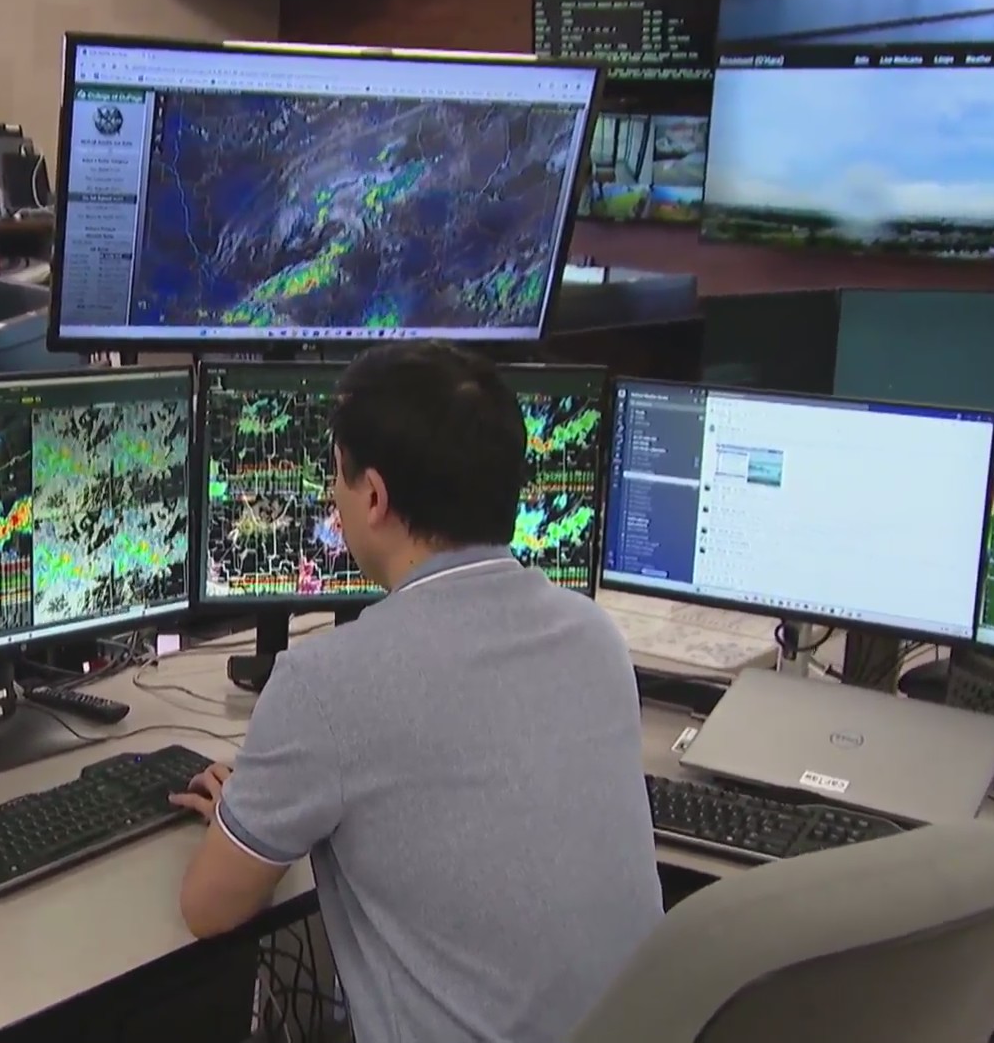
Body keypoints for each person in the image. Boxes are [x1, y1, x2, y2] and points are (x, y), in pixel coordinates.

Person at [170, 340, 662, 1043]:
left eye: (335, 480)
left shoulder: (326, 683)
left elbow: (208, 909)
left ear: (373, 497)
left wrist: (245, 817)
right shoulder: (596, 639)